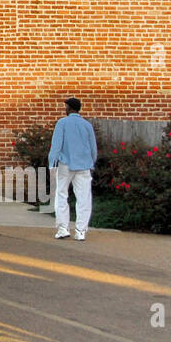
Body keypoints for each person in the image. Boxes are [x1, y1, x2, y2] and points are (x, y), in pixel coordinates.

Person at [48, 97, 97, 241]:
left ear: (69, 108)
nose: (65, 109)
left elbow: (56, 146)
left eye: (66, 106)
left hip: (65, 164)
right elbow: (93, 148)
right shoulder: (87, 125)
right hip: (84, 165)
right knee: (84, 198)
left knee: (62, 195)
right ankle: (81, 231)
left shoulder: (62, 123)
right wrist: (91, 162)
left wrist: (52, 164)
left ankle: (63, 228)